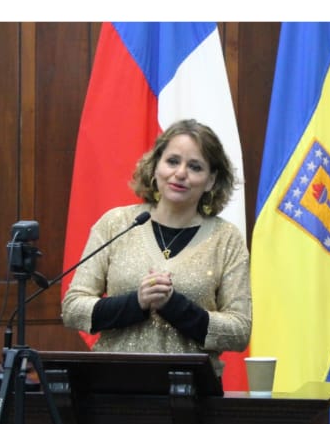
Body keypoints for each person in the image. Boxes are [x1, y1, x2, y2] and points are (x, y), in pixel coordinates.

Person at [62, 120, 250, 374]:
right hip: (113, 384)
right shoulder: (116, 224)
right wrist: (136, 303)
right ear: (155, 166)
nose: (180, 173)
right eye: (172, 161)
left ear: (211, 181)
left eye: (195, 167)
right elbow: (73, 309)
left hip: (190, 389)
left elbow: (239, 331)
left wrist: (174, 306)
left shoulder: (226, 238)